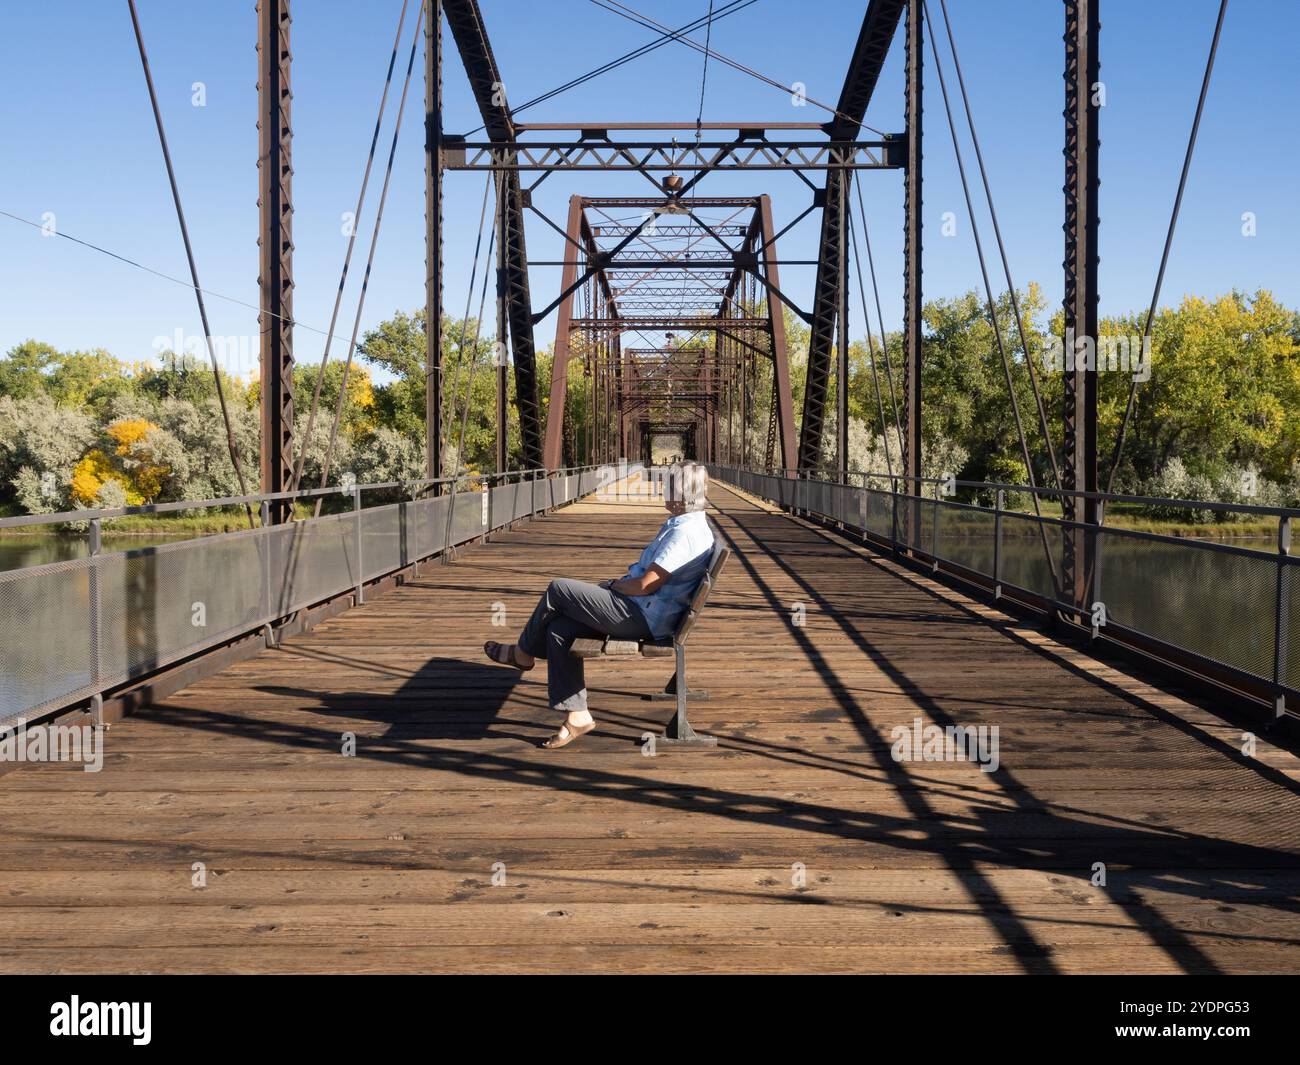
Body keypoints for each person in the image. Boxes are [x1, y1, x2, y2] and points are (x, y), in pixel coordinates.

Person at [484, 461, 715, 749]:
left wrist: (614, 586)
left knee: (559, 589)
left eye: (666, 485)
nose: (661, 490)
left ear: (680, 493)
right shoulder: (692, 524)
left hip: (640, 615)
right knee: (559, 628)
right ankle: (578, 715)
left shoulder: (685, 535)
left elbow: (646, 585)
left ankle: (523, 653)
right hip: (646, 610)